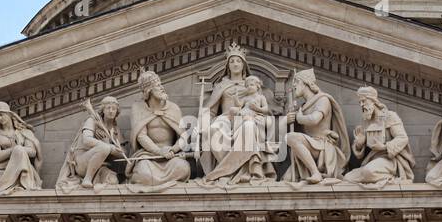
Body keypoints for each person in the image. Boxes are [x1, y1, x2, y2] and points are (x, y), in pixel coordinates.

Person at [201, 43, 274, 185]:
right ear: (227, 66)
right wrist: (203, 122)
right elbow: (211, 110)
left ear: (244, 65)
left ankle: (231, 171)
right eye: (232, 61)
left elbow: (265, 109)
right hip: (226, 118)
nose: (235, 64)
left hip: (246, 116)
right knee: (212, 130)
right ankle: (228, 170)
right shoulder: (221, 86)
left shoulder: (251, 85)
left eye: (238, 61)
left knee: (249, 126)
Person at [127, 71, 191, 191]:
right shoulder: (138, 108)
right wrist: (159, 151)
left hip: (171, 157)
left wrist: (173, 149)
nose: (162, 88)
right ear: (148, 91)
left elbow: (183, 137)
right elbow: (141, 136)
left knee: (183, 168)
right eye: (157, 86)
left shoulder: (173, 108)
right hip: (148, 157)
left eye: (161, 84)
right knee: (145, 173)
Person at [283, 69, 349, 184]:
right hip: (310, 147)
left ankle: (315, 172)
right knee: (286, 180)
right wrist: (288, 119)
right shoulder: (303, 107)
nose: (293, 86)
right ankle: (311, 170)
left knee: (290, 137)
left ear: (306, 83)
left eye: (296, 82)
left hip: (322, 146)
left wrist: (299, 118)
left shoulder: (323, 99)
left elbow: (314, 119)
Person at [344, 87, 414, 185]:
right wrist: (359, 144)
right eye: (360, 102)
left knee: (368, 171)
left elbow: (402, 138)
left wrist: (384, 147)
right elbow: (359, 154)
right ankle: (378, 177)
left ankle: (393, 178)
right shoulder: (365, 121)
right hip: (372, 160)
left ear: (373, 100)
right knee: (348, 178)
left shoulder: (389, 116)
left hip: (390, 160)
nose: (361, 105)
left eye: (363, 101)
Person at [57, 97, 126, 192]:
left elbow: (123, 154)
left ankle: (95, 178)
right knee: (104, 148)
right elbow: (86, 140)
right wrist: (108, 146)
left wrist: (111, 147)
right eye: (108, 108)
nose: (111, 111)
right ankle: (87, 178)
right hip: (82, 161)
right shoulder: (92, 120)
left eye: (114, 109)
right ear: (103, 110)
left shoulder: (115, 130)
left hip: (101, 166)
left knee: (113, 181)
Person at [0, 102, 42, 194]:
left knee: (19, 149)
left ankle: (24, 181)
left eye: (1, 115)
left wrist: (18, 150)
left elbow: (33, 152)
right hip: (3, 169)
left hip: (23, 167)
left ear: (9, 114)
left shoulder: (24, 131)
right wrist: (12, 150)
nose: (0, 118)